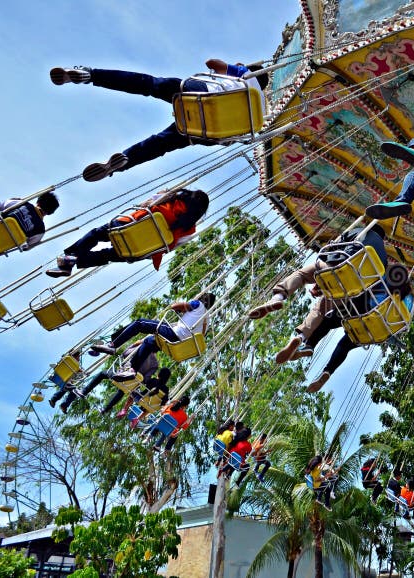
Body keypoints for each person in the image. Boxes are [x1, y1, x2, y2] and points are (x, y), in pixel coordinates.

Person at [49, 60, 269, 181]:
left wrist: (236, 66)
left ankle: (91, 75)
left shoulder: (245, 74)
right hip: (209, 132)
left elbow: (212, 62)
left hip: (204, 96)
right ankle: (125, 161)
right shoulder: (258, 113)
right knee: (162, 143)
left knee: (149, 84)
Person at [271, 224, 389, 365]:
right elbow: (374, 283)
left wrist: (319, 283)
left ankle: (279, 297)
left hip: (339, 269)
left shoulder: (360, 231)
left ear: (371, 228)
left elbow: (331, 249)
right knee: (324, 312)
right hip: (353, 290)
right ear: (383, 238)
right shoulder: (384, 259)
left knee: (303, 275)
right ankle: (306, 342)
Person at [46, 189, 208, 277]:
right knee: (107, 255)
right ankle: (71, 262)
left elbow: (146, 204)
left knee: (97, 234)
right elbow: (169, 248)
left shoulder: (171, 198)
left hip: (126, 228)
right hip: (138, 251)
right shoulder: (190, 230)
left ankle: (70, 258)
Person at [304, 273, 413, 392]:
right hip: (375, 331)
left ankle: (309, 345)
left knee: (328, 321)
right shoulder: (409, 302)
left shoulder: (387, 277)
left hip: (364, 310)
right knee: (345, 345)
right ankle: (328, 371)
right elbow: (399, 326)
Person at [91, 293, 215, 368]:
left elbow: (174, 307)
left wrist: (181, 306)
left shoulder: (198, 304)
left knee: (140, 323)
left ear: (203, 298)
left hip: (174, 334)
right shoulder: (207, 321)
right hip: (180, 344)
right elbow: (200, 336)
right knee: (149, 342)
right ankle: (131, 368)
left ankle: (113, 345)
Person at [58, 341, 158, 413]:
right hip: (131, 383)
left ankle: (84, 391)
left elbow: (125, 354)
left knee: (102, 374)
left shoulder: (139, 348)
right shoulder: (155, 364)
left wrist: (134, 344)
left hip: (122, 374)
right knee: (122, 390)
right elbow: (146, 379)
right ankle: (106, 409)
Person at [104, 366, 171, 417]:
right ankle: (138, 418)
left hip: (141, 398)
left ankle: (124, 409)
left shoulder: (153, 380)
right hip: (150, 405)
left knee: (133, 392)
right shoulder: (166, 389)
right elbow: (165, 400)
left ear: (159, 374)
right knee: (151, 407)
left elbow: (145, 383)